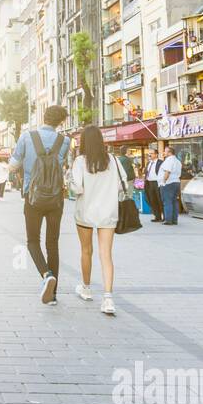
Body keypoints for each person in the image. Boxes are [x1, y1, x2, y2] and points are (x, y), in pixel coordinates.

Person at [11, 105, 71, 304]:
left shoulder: (27, 137)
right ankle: (53, 295)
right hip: (56, 198)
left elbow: (13, 165)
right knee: (52, 243)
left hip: (33, 197)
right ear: (61, 122)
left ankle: (46, 275)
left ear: (43, 117)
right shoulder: (65, 141)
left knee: (32, 241)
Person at [68, 125, 124, 317]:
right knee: (106, 254)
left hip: (85, 212)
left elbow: (77, 189)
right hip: (108, 212)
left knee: (86, 251)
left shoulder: (80, 161)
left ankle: (86, 287)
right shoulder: (114, 161)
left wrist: (68, 179)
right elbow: (122, 184)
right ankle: (108, 298)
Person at [157, 145, 183, 226]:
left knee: (167, 201)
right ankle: (174, 220)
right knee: (174, 201)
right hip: (176, 182)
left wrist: (164, 181)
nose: (164, 152)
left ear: (169, 152)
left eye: (165, 151)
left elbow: (167, 172)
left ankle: (168, 220)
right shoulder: (177, 161)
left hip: (168, 183)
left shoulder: (169, 160)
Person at [143, 149, 163, 223]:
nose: (150, 155)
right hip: (149, 183)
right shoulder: (149, 163)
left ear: (156, 154)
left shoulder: (160, 162)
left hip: (157, 183)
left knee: (159, 199)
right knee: (152, 200)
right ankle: (157, 216)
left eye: (151, 153)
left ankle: (163, 216)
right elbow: (146, 172)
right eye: (149, 154)